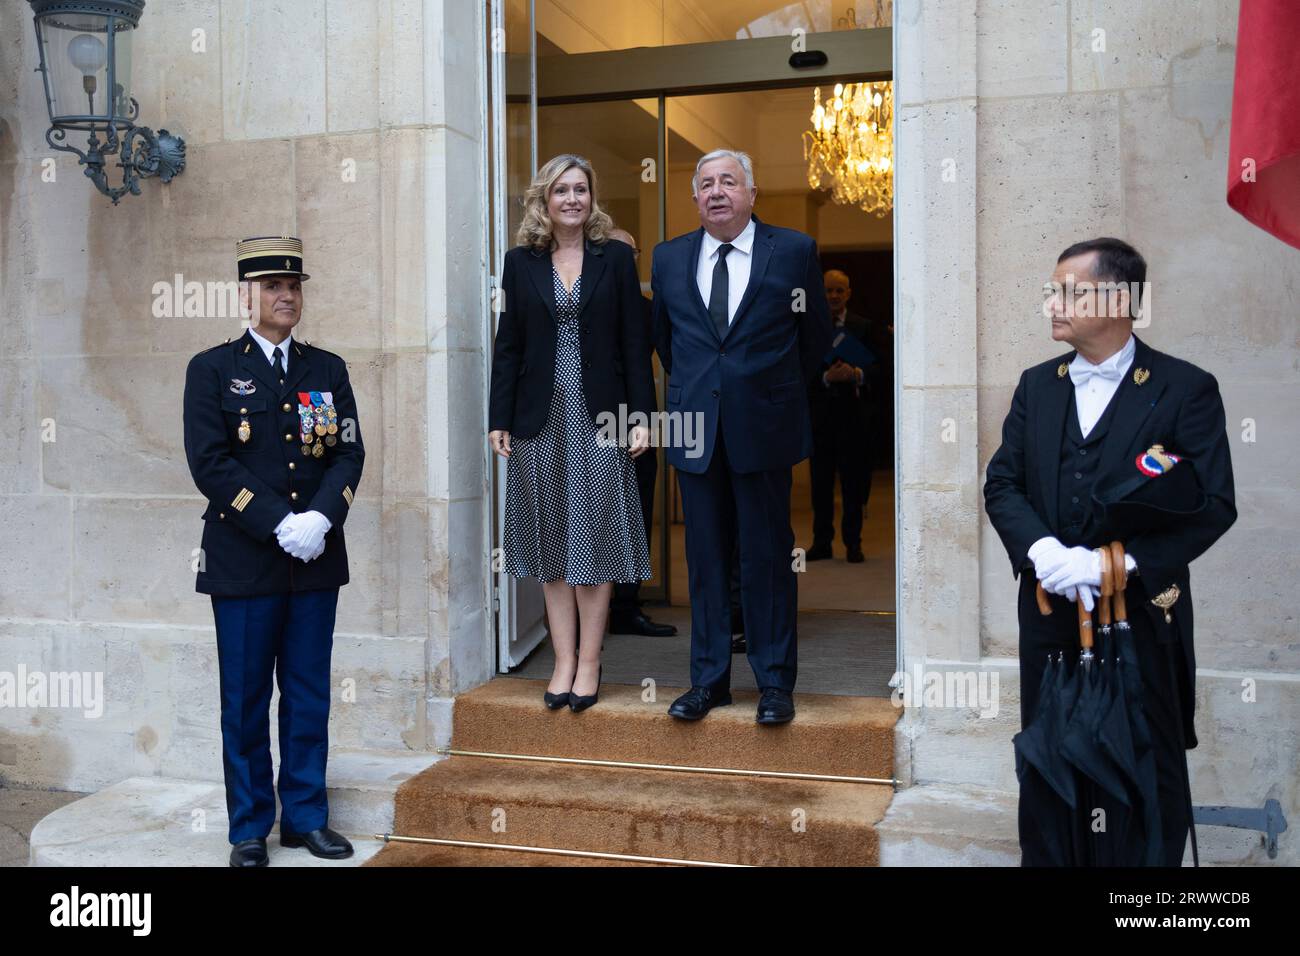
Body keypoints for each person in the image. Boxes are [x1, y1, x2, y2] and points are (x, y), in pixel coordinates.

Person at [984, 237, 1236, 866]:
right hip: (1049, 619)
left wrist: (1116, 564)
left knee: (1143, 763)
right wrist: (1044, 551)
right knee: (1048, 761)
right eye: (1053, 288)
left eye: (1069, 289)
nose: (1053, 301)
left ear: (1121, 300)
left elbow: (1213, 505)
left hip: (1143, 618)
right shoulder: (1037, 386)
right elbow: (1003, 483)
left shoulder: (1185, 388)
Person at [182, 235, 365, 867]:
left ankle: (306, 818)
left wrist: (320, 516)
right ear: (247, 296)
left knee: (310, 692)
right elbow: (209, 463)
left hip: (315, 558)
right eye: (272, 287)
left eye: (294, 287)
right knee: (246, 697)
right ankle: (250, 828)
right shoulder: (210, 369)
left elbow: (348, 452)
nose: (286, 296)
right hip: (244, 561)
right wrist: (275, 521)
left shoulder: (327, 369)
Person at [651, 148, 832, 725]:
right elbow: (667, 343)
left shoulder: (794, 251)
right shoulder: (668, 257)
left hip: (765, 427)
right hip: (694, 428)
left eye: (729, 181)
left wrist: (765, 390)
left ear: (752, 194)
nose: (717, 191)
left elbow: (814, 341)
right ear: (695, 197)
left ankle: (775, 685)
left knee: (767, 558)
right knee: (704, 561)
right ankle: (709, 682)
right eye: (706, 184)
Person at [488, 155, 655, 714]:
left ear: (592, 198)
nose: (573, 199)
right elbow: (508, 344)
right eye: (562, 190)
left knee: (595, 542)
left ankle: (589, 662)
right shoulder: (520, 263)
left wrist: (642, 418)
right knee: (550, 545)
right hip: (539, 421)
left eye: (581, 189)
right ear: (545, 199)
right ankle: (561, 660)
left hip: (599, 418)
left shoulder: (616, 259)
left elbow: (635, 343)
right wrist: (499, 417)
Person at [604, 227, 677, 638]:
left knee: (637, 510)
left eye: (630, 252)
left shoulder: (648, 308)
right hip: (587, 423)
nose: (623, 258)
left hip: (635, 422)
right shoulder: (578, 300)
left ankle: (627, 605)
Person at [807, 269, 874, 563]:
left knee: (853, 486)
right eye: (828, 291)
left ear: (848, 293)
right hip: (820, 421)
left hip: (854, 421)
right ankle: (821, 543)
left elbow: (882, 369)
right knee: (820, 486)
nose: (833, 296)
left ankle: (853, 543)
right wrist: (826, 377)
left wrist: (856, 374)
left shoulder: (864, 326)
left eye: (839, 291)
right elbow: (801, 371)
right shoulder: (811, 326)